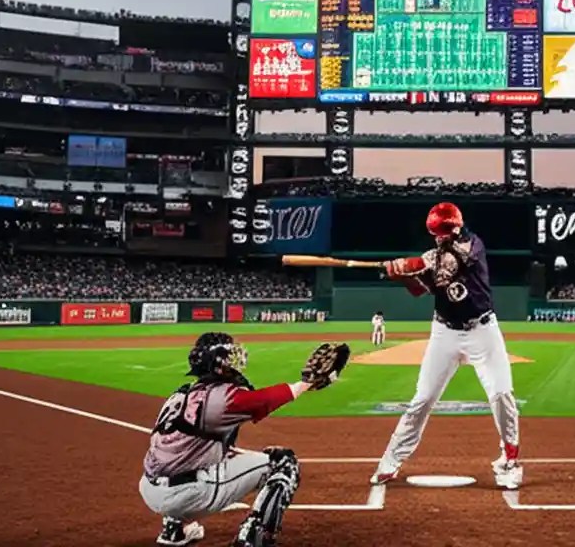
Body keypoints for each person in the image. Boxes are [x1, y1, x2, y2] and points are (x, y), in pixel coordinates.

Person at [139, 332, 348, 546]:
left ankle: (173, 529)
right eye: (229, 356)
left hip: (149, 488)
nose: (235, 361)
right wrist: (307, 383)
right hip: (186, 494)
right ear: (217, 364)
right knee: (284, 463)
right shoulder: (221, 398)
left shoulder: (180, 395)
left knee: (199, 456)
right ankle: (254, 537)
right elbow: (264, 400)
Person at [372, 202, 523, 490]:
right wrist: (399, 275)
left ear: (454, 228)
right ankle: (391, 460)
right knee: (423, 398)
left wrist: (411, 263)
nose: (437, 237)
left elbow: (451, 261)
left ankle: (510, 460)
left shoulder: (473, 244)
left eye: (441, 232)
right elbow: (419, 289)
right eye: (434, 233)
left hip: (482, 330)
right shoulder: (433, 255)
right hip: (444, 332)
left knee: (502, 393)